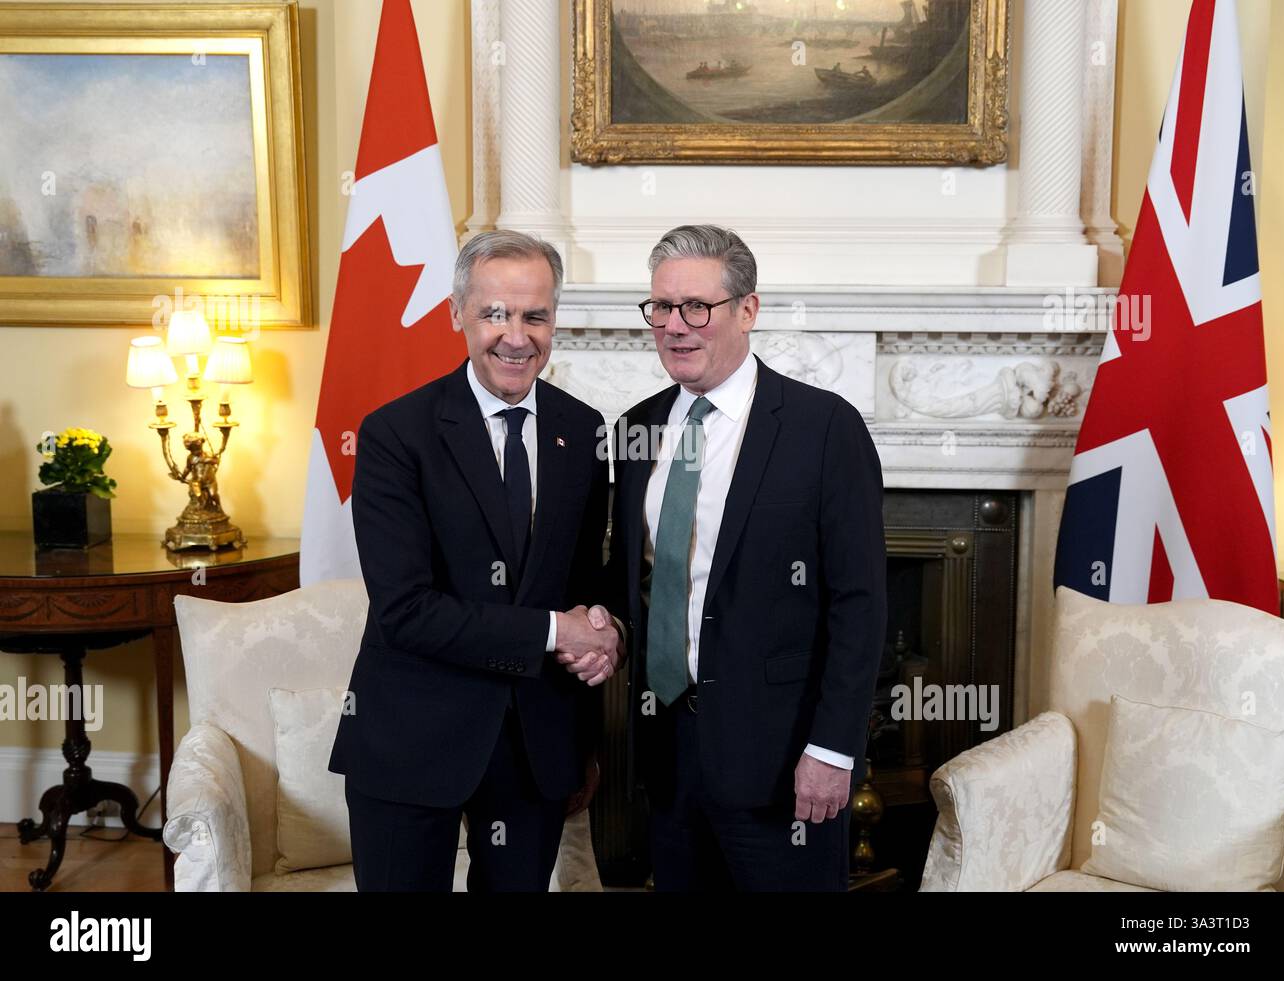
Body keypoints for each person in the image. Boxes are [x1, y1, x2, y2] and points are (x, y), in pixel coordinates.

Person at [329, 230, 623, 891]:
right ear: (458, 313)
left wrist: (599, 655)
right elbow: (406, 611)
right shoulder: (395, 433)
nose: (515, 336)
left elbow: (583, 586)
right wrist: (557, 631)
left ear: (554, 320)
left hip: (536, 751)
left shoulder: (581, 430)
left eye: (534, 315)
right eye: (495, 313)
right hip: (411, 742)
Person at [601, 225, 886, 891]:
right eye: (662, 307)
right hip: (669, 759)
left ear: (747, 310)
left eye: (697, 306)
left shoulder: (823, 429)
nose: (676, 325)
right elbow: (635, 584)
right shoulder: (635, 428)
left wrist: (832, 747)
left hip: (787, 764)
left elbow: (862, 603)